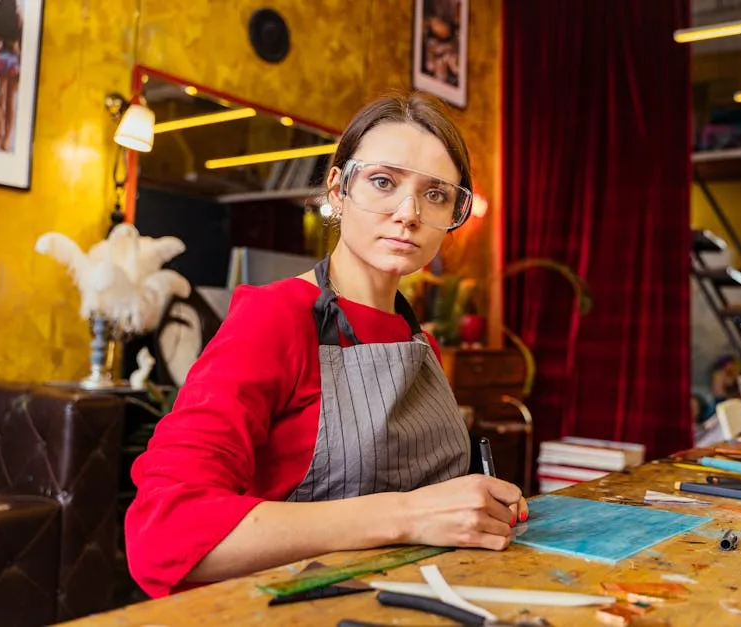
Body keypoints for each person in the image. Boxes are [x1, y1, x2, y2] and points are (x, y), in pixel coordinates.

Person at [125, 92, 529, 598]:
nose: (409, 213)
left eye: (435, 194)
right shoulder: (274, 318)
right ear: (338, 190)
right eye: (384, 182)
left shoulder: (419, 340)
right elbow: (162, 534)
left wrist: (475, 507)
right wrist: (408, 515)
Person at [0, 0, 20, 151]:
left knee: (0, 99)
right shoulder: (18, 14)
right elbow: (20, 45)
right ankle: (6, 139)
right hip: (14, 59)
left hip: (0, 56)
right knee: (10, 102)